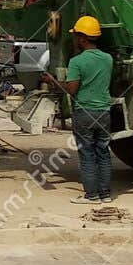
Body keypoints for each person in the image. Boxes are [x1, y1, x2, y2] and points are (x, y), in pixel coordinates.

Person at [42, 15, 115, 204]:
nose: (74, 39)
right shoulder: (108, 59)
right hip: (104, 112)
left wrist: (53, 81)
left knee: (87, 155)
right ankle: (105, 195)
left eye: (76, 36)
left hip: (85, 113)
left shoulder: (77, 62)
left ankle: (91, 196)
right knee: (103, 153)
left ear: (82, 38)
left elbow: (71, 90)